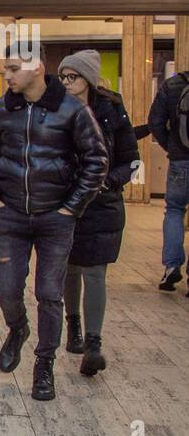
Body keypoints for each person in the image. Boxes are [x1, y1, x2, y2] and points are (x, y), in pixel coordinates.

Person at [0, 44, 108, 401]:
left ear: (36, 68)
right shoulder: (1, 110)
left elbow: (97, 161)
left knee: (49, 295)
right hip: (10, 217)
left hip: (55, 219)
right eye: (6, 68)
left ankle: (43, 365)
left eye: (14, 68)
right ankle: (17, 329)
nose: (7, 75)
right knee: (7, 288)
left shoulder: (72, 110)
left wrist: (70, 208)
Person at [56, 50, 138, 377]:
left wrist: (109, 183)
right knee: (70, 268)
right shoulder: (55, 110)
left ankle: (93, 344)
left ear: (87, 78)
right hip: (68, 203)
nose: (65, 82)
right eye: (62, 77)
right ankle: (72, 326)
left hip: (103, 206)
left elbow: (130, 158)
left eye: (71, 76)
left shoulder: (112, 109)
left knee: (95, 271)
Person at [147, 68, 189, 292]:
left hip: (179, 161)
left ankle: (171, 267)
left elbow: (155, 122)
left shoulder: (172, 85)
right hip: (179, 156)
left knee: (174, 210)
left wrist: (171, 147)